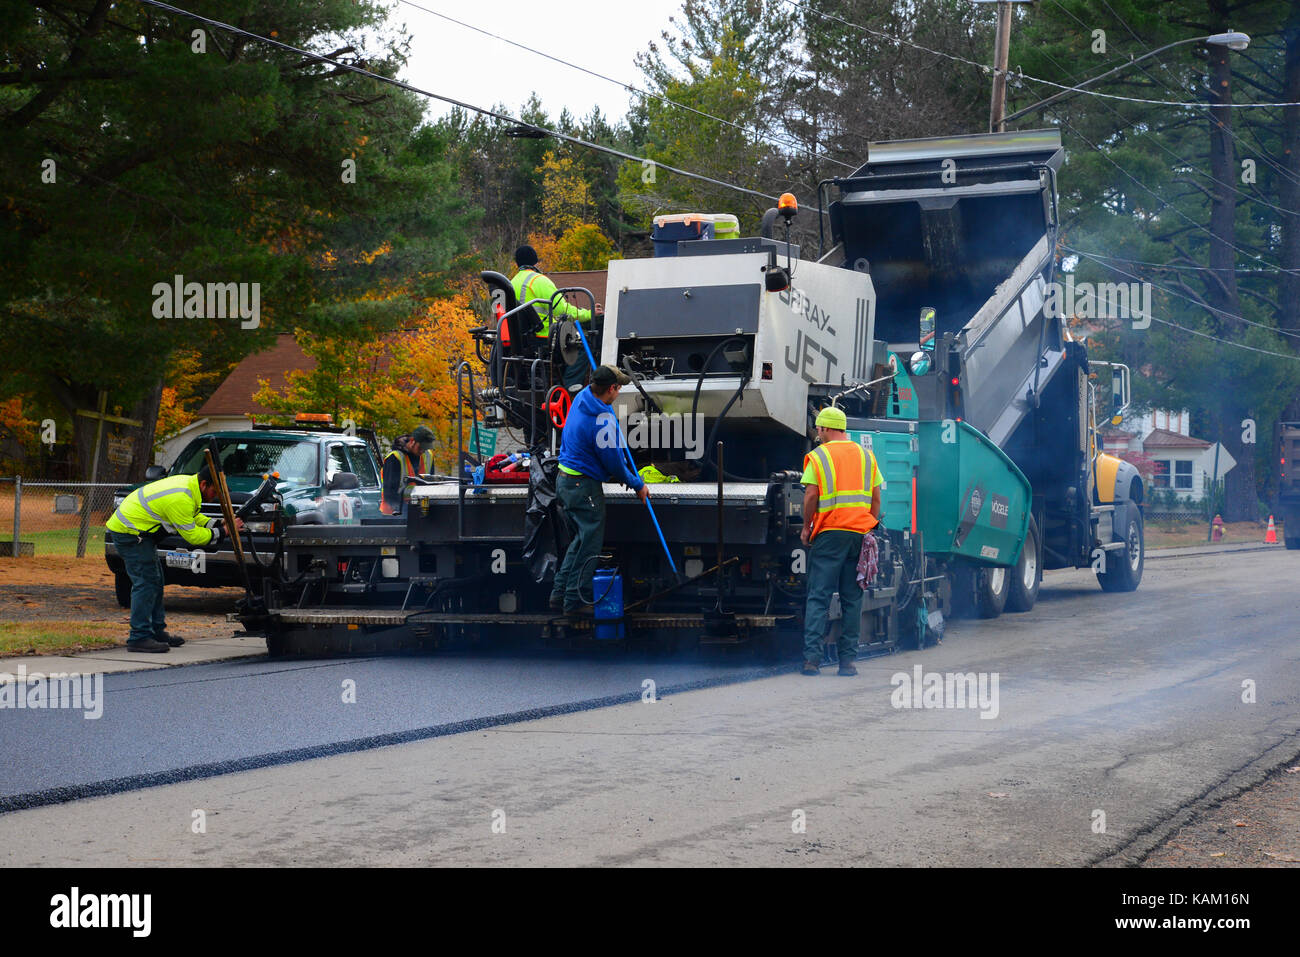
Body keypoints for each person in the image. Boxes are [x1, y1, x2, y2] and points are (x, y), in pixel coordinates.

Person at [105, 466, 243, 653]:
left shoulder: (189, 487)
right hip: (130, 533)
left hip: (140, 533)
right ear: (204, 484)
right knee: (145, 583)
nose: (216, 496)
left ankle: (156, 631)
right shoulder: (181, 497)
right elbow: (194, 537)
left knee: (155, 581)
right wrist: (224, 531)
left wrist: (217, 524)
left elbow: (193, 517)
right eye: (214, 491)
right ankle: (139, 637)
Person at [549, 364, 649, 616]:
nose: (619, 393)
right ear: (611, 389)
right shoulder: (602, 422)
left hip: (566, 480)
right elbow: (613, 464)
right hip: (583, 486)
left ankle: (559, 593)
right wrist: (637, 484)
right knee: (590, 545)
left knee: (580, 541)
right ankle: (574, 601)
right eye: (619, 388)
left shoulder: (583, 398)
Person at [799, 405, 883, 676]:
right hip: (859, 535)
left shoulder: (819, 456)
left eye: (819, 430)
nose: (818, 434)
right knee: (852, 598)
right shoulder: (866, 455)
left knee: (818, 597)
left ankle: (812, 660)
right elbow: (876, 498)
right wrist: (867, 524)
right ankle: (847, 662)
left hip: (829, 534)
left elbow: (811, 496)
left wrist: (806, 527)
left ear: (824, 428)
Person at [511, 244, 604, 388]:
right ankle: (569, 388)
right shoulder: (538, 280)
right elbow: (563, 311)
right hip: (543, 337)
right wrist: (590, 313)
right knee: (585, 345)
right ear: (535, 262)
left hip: (520, 341)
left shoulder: (511, 283)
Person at [381, 426, 436, 516]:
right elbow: (390, 493)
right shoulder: (395, 458)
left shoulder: (428, 456)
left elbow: (430, 487)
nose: (422, 450)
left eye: (425, 448)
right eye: (420, 447)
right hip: (393, 514)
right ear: (412, 441)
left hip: (418, 511)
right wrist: (404, 513)